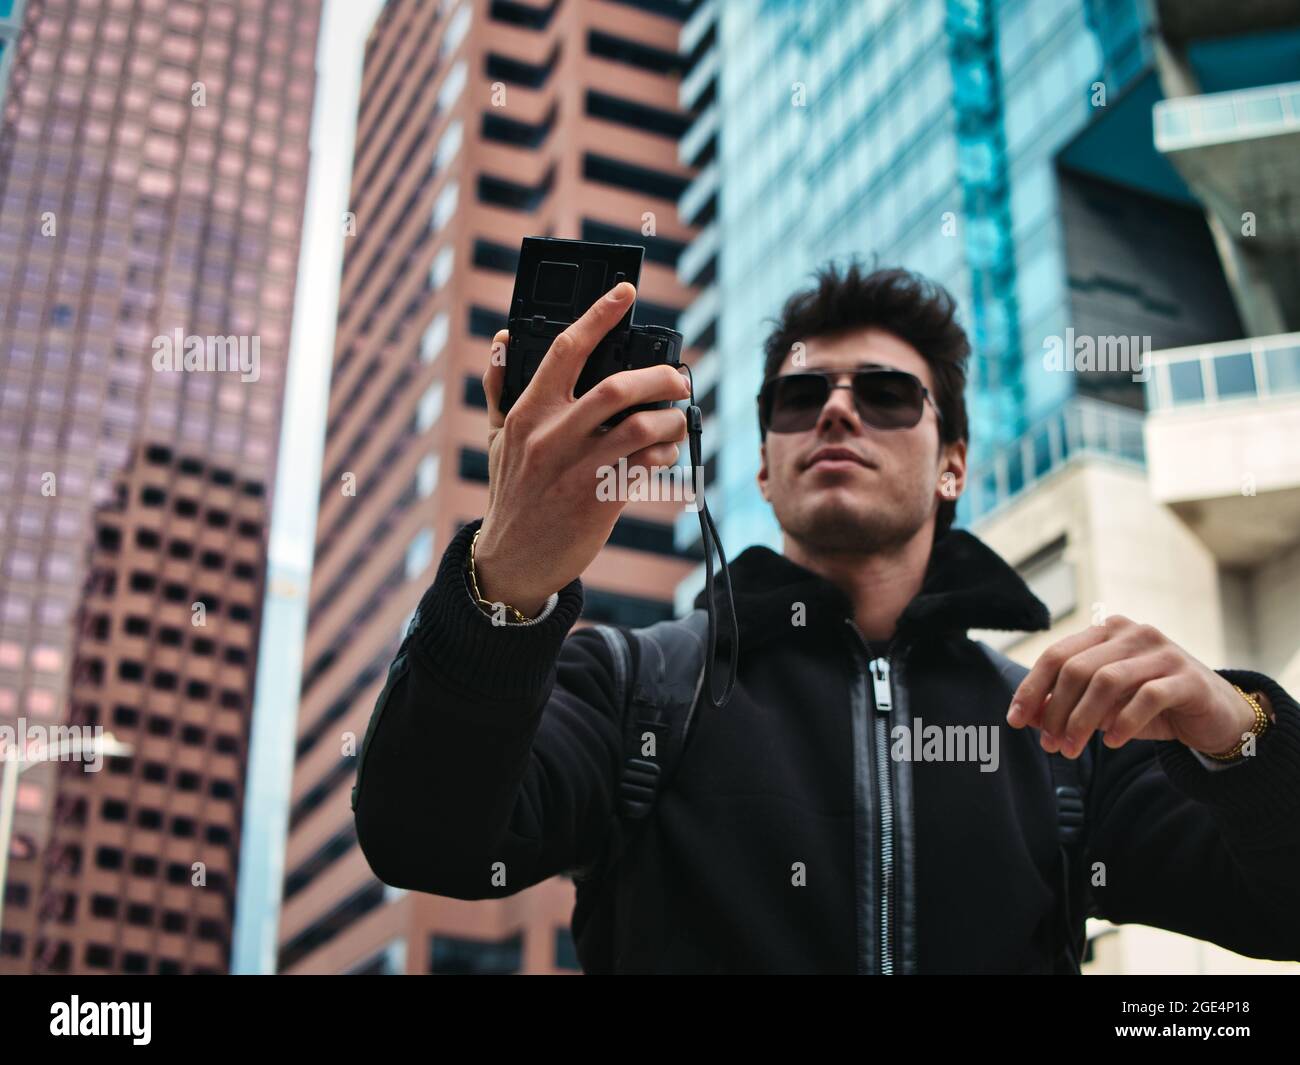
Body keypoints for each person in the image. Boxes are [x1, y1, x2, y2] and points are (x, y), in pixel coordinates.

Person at [351, 263, 1300, 974]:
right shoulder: (634, 688)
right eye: (800, 399)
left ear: (952, 465)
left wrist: (1242, 737)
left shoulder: (1064, 739)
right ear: (764, 467)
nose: (838, 411)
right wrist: (506, 582)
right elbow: (425, 840)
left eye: (886, 395)